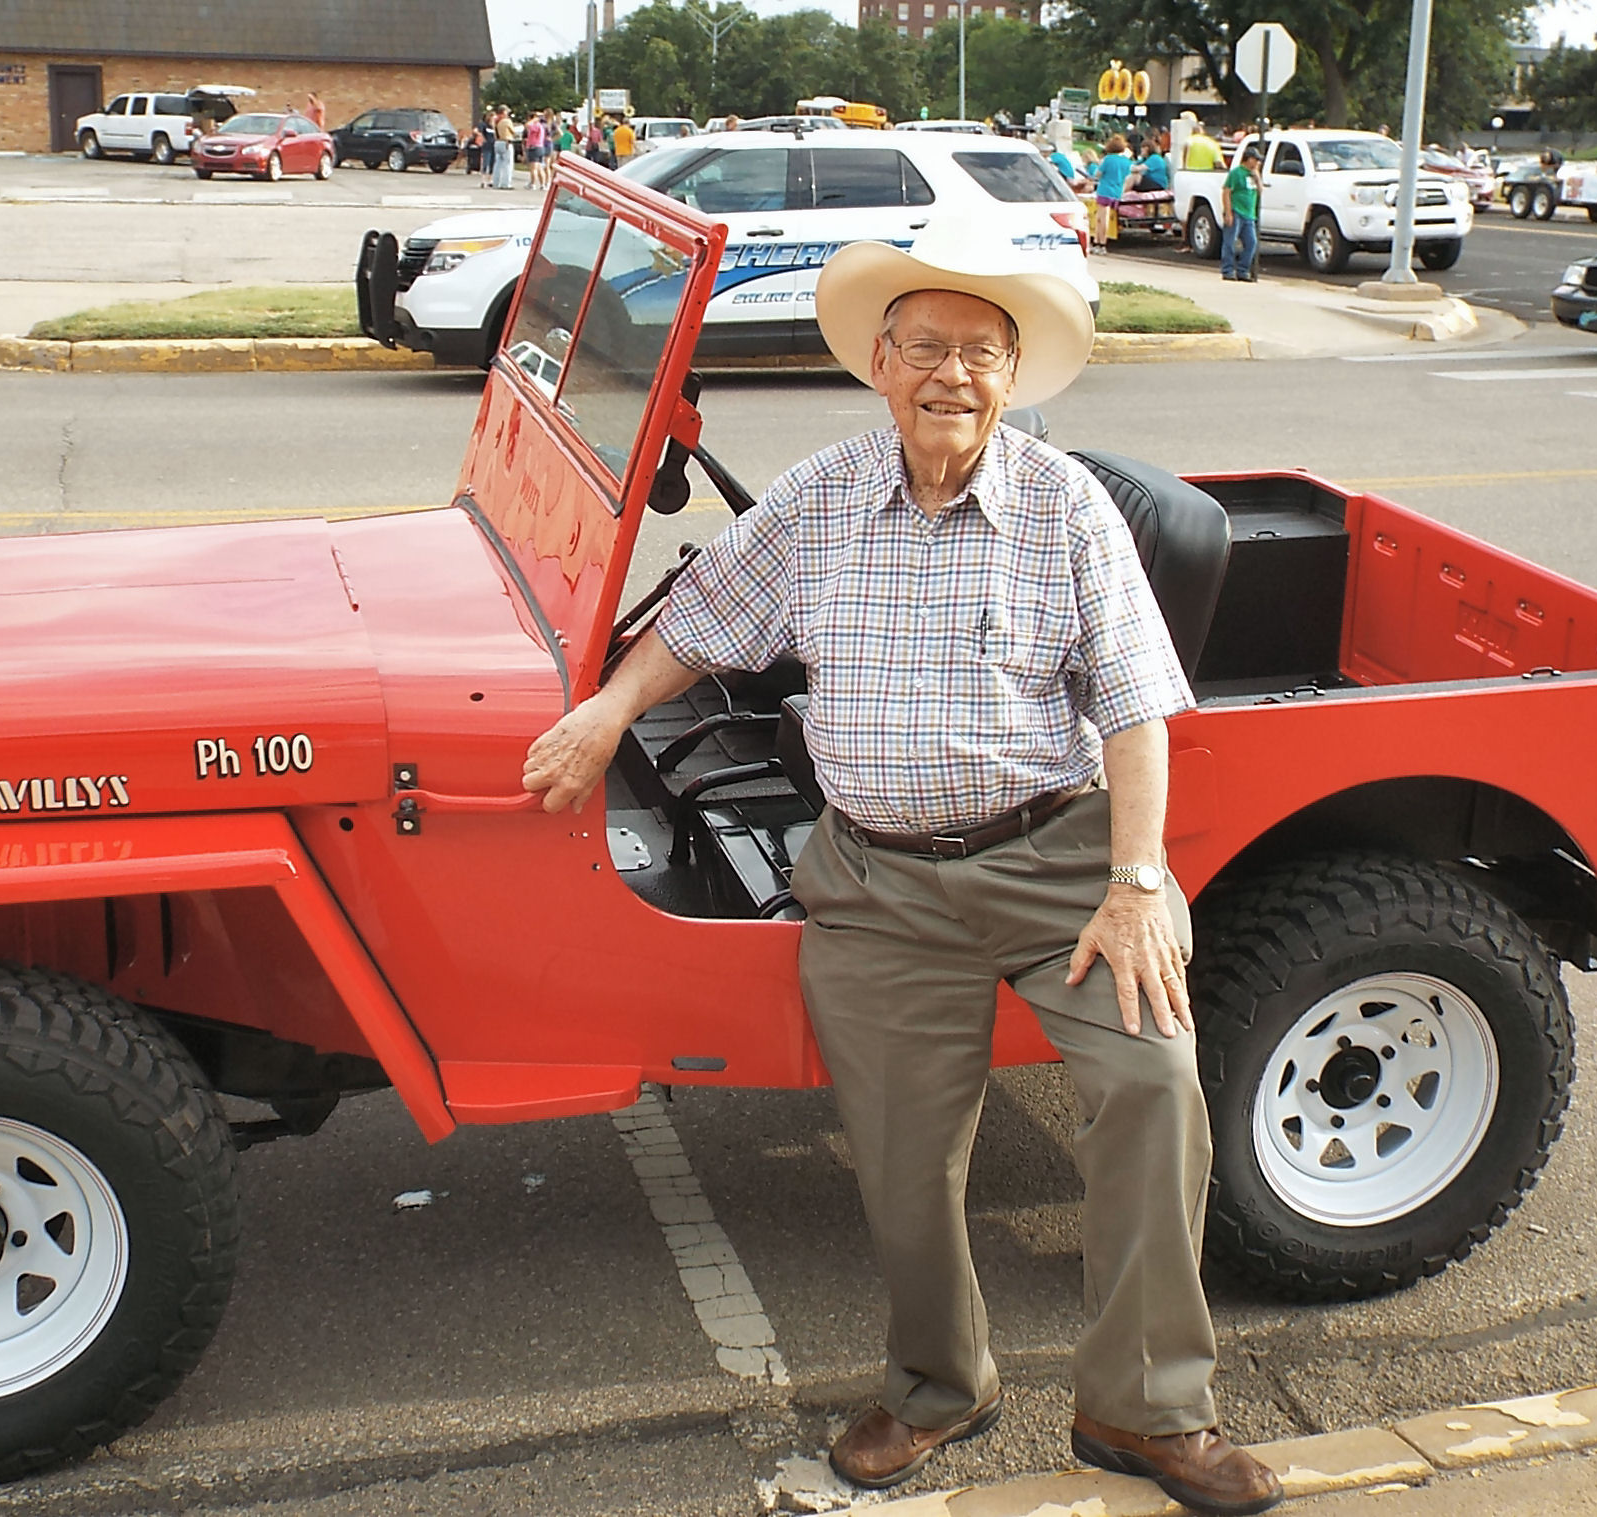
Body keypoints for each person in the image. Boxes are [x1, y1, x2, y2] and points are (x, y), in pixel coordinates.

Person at [520, 222, 1283, 1517]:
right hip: (877, 877)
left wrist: (1137, 877)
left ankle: (1145, 1408)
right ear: (879, 364)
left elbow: (1137, 705)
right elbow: (703, 625)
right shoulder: (819, 500)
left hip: (1056, 856)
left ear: (1013, 376)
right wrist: (603, 714)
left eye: (981, 353)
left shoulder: (1065, 510)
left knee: (1154, 1084)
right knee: (900, 1147)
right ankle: (940, 1386)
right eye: (925, 347)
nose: (952, 374)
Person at [1222, 141, 1261, 281]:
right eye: (1256, 160)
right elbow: (1226, 192)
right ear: (1249, 159)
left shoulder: (1253, 174)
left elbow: (1260, 192)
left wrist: (1257, 177)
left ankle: (1243, 270)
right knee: (1230, 241)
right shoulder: (1236, 173)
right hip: (1236, 211)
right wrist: (1228, 212)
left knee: (1251, 243)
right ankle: (1227, 270)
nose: (1257, 163)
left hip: (1249, 214)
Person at [1092, 133, 1132, 251]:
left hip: (1104, 189)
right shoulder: (1126, 162)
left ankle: (1100, 243)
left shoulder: (1108, 159)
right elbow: (1126, 177)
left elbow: (1098, 175)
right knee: (1106, 218)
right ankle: (1098, 242)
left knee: (1100, 218)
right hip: (1116, 191)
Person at [492, 106, 517, 189]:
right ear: (503, 112)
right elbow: (513, 131)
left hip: (497, 142)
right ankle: (506, 184)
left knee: (498, 164)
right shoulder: (506, 121)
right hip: (506, 142)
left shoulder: (496, 121)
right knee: (507, 164)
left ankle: (496, 182)